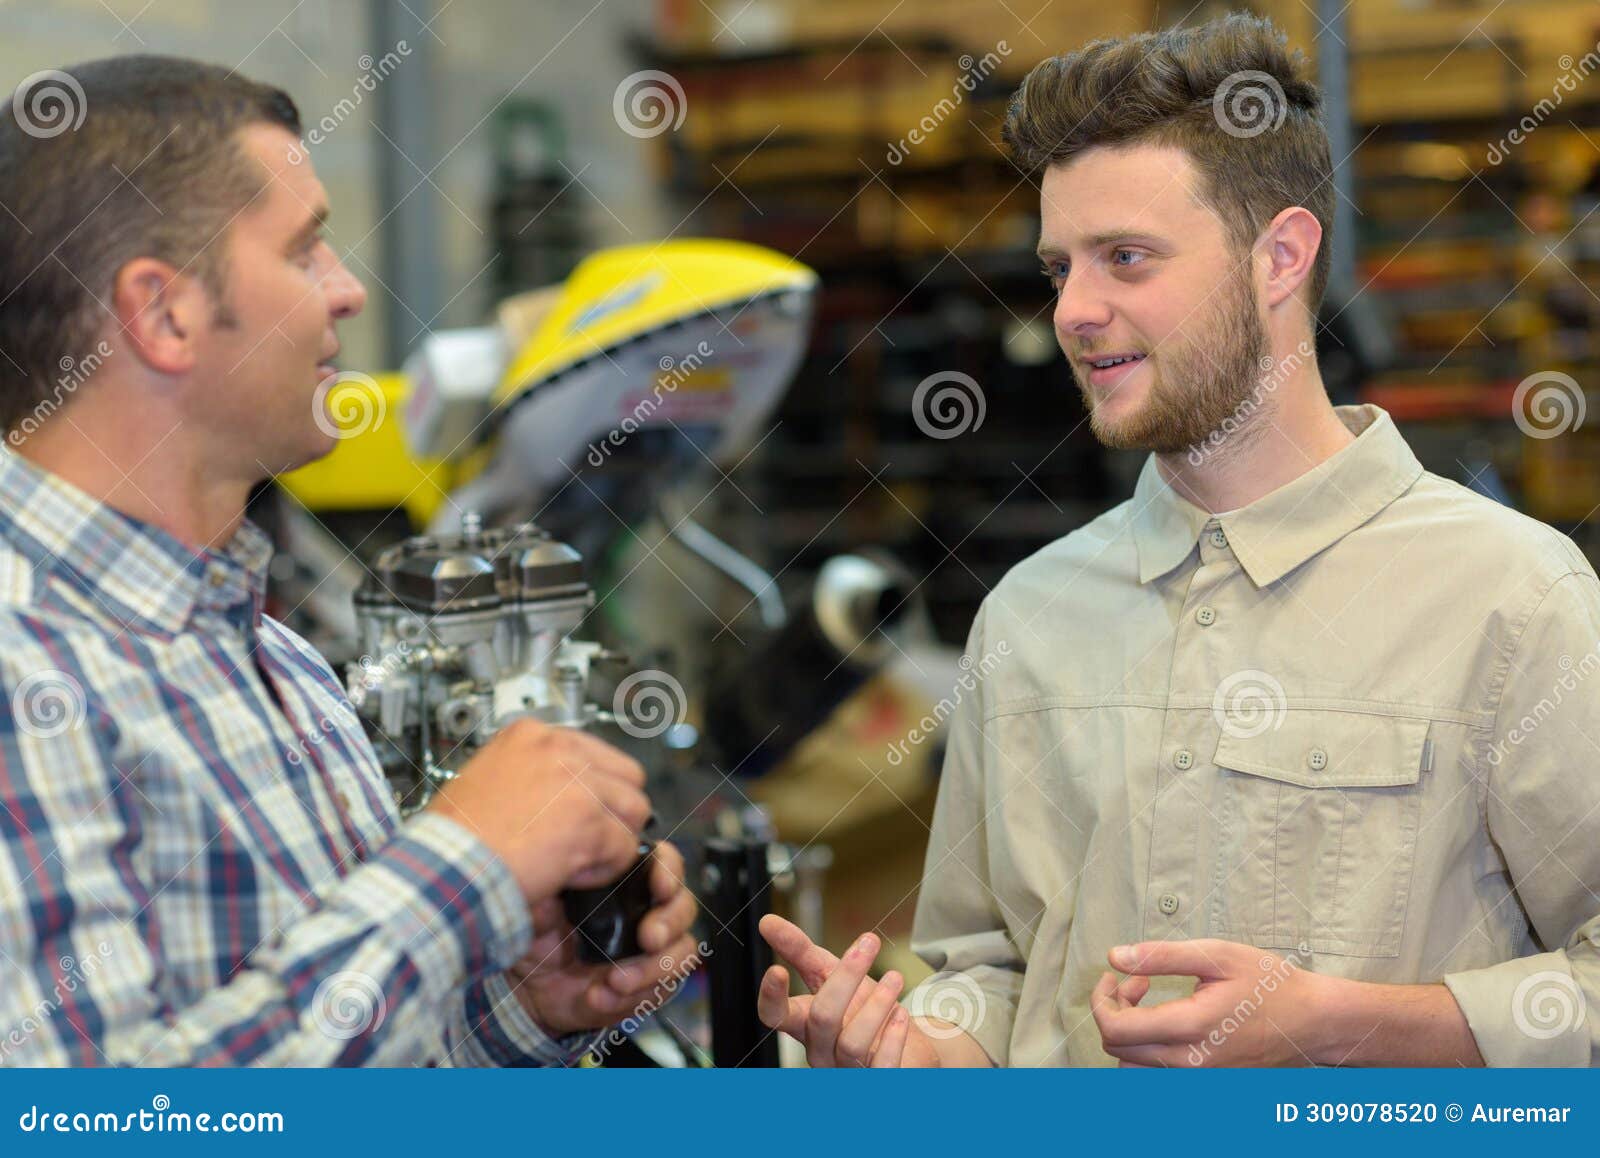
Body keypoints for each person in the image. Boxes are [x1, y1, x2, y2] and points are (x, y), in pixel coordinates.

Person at [759, 14, 1600, 1067]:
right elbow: (994, 970)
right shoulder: (1030, 614)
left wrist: (1337, 1023)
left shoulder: (1512, 599)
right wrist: (915, 1052)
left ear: (1279, 257)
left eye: (1126, 258)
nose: (1074, 311)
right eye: (1059, 268)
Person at [0, 55, 698, 1066]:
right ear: (161, 314)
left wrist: (515, 1011)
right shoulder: (23, 666)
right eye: (303, 249)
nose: (348, 290)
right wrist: (460, 867)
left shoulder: (276, 664)